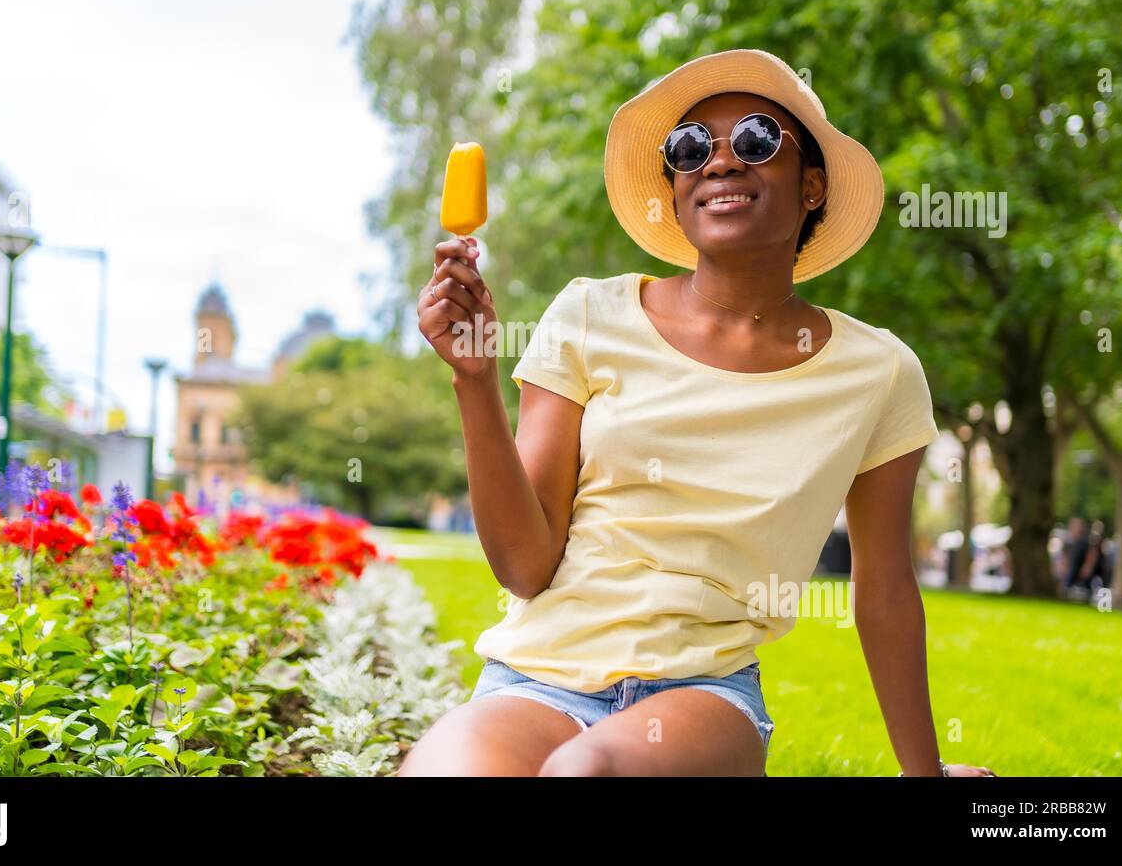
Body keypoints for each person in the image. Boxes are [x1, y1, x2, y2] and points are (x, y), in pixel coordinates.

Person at [405, 49, 995, 778]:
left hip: (703, 696)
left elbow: (885, 592)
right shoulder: (589, 314)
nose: (719, 163)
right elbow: (525, 565)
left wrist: (923, 775)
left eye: (754, 140)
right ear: (677, 189)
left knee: (583, 774)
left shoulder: (878, 372)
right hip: (533, 682)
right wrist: (473, 382)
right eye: (689, 150)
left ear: (812, 186)